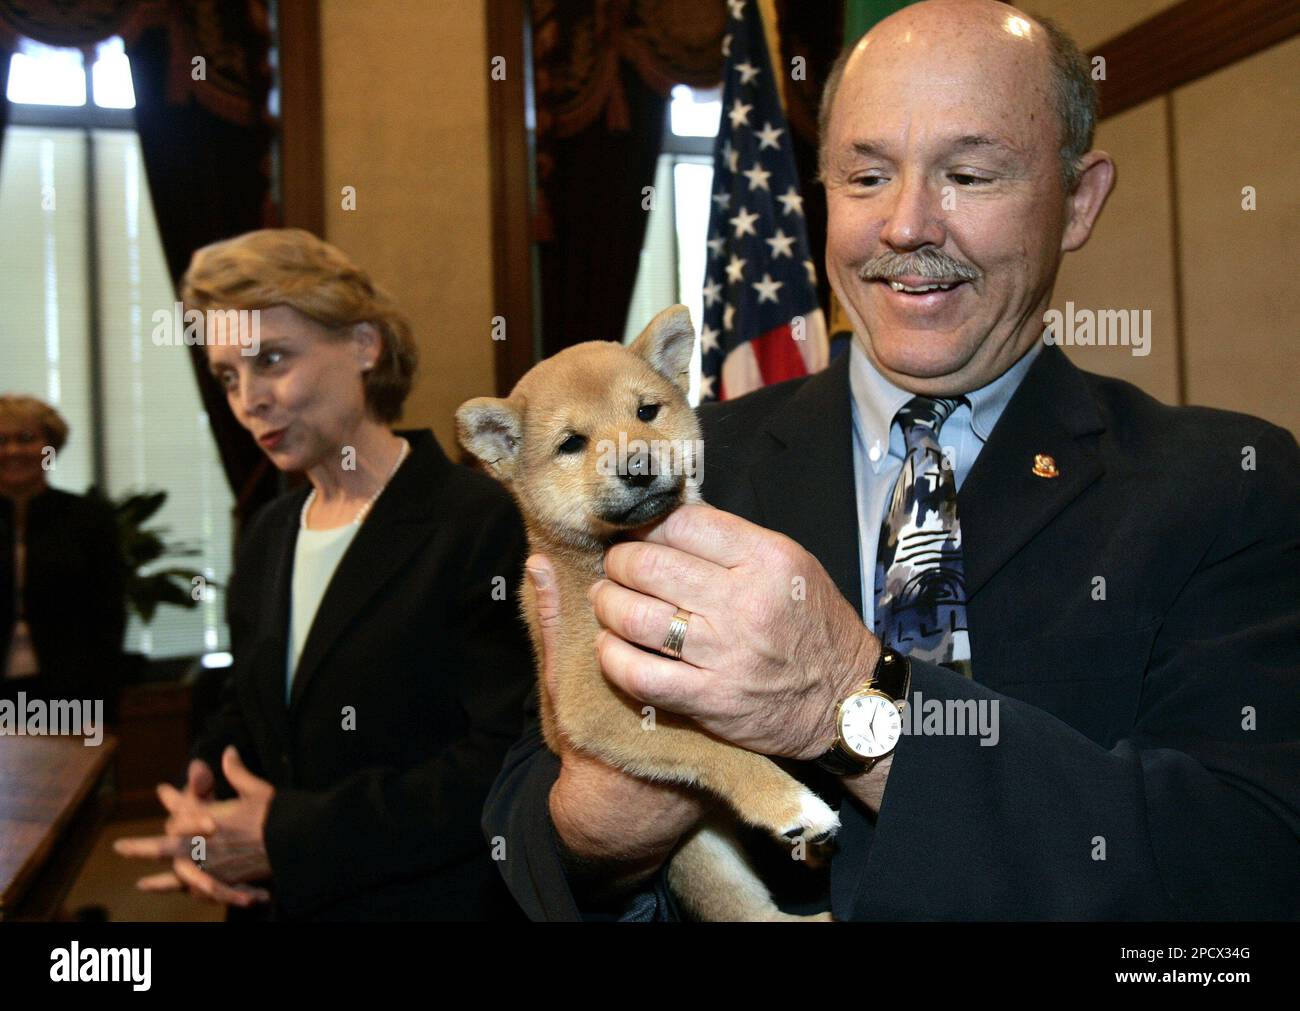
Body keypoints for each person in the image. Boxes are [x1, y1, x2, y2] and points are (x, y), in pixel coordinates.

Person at [483, 0, 1300, 920]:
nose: (907, 225)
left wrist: (845, 698)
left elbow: (1248, 861)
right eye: (866, 175)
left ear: (1078, 201)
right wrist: (601, 829)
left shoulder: (1228, 485)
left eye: (970, 174)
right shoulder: (682, 470)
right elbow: (524, 830)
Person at [115, 228, 534, 920]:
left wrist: (287, 836)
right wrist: (204, 797)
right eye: (227, 377)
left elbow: (501, 766)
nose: (249, 398)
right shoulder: (269, 532)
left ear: (364, 345)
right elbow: (249, 706)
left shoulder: (478, 522)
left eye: (271, 359)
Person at [0, 395, 125, 711]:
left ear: (50, 447)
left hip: (70, 694)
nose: (12, 450)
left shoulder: (88, 518)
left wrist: (100, 697)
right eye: (1, 440)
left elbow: (109, 615)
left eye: (26, 438)